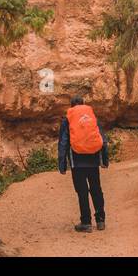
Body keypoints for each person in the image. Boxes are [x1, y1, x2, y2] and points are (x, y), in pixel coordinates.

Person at [58, 95, 108, 232]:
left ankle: (86, 222)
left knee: (82, 191)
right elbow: (102, 138)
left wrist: (62, 164)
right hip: (93, 160)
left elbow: (63, 142)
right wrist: (105, 159)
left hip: (77, 161)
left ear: (71, 106)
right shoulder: (91, 116)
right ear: (83, 104)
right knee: (96, 189)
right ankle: (100, 220)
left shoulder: (68, 119)